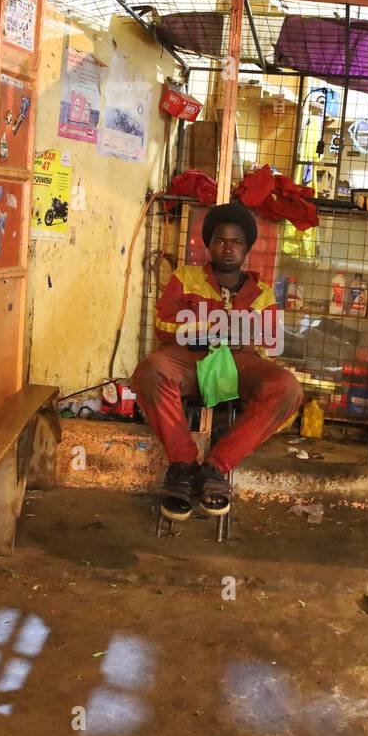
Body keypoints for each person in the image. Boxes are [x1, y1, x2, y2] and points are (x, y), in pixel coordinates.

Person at [132, 202, 304, 520]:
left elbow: (268, 341)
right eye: (221, 241)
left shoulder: (263, 292)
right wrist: (209, 326)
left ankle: (214, 468)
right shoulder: (186, 277)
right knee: (151, 370)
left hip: (240, 365)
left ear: (247, 249)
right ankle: (183, 466)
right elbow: (163, 325)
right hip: (190, 360)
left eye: (236, 242)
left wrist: (242, 337)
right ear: (209, 245)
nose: (228, 248)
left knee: (287, 387)